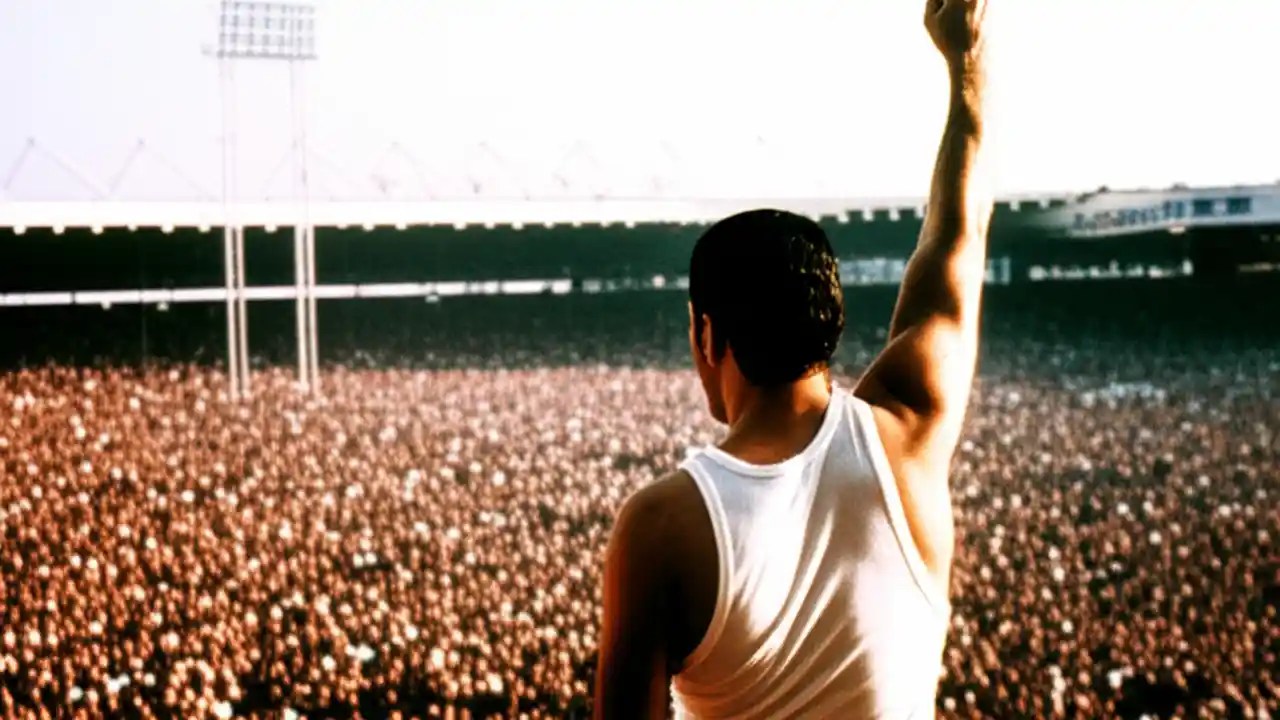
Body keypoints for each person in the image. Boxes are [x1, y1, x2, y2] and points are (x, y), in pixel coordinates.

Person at [594, 0, 994, 716]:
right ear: (829, 319)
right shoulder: (911, 435)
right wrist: (965, 71)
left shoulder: (661, 525)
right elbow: (955, 241)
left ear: (706, 336)